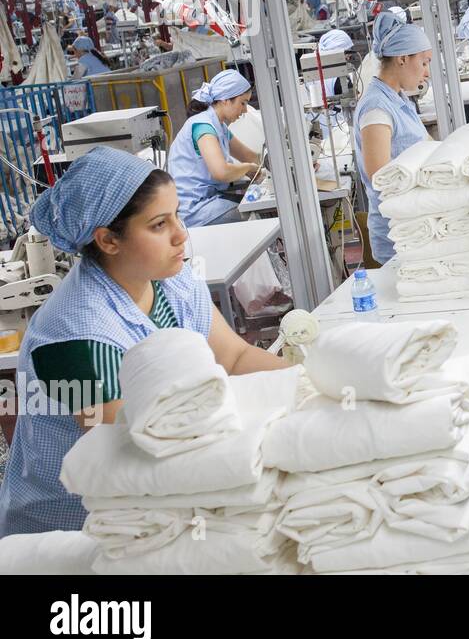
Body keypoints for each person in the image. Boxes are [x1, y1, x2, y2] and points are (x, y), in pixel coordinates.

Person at [0, 149, 286, 536]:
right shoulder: (73, 336)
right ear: (108, 240)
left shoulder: (170, 279)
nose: (181, 234)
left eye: (177, 215)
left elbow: (234, 357)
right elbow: (127, 446)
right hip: (79, 528)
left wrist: (309, 382)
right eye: (158, 225)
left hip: (155, 501)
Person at [354, 13, 434, 264]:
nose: (427, 73)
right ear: (402, 59)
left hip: (414, 222)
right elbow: (383, 178)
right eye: (424, 63)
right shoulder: (376, 108)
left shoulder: (398, 99)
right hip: (398, 232)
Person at [167, 69, 259, 227]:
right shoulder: (203, 127)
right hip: (195, 210)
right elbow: (221, 172)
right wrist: (248, 168)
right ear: (225, 100)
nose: (245, 110)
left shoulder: (219, 126)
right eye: (242, 103)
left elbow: (250, 156)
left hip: (209, 201)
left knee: (256, 204)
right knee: (257, 214)